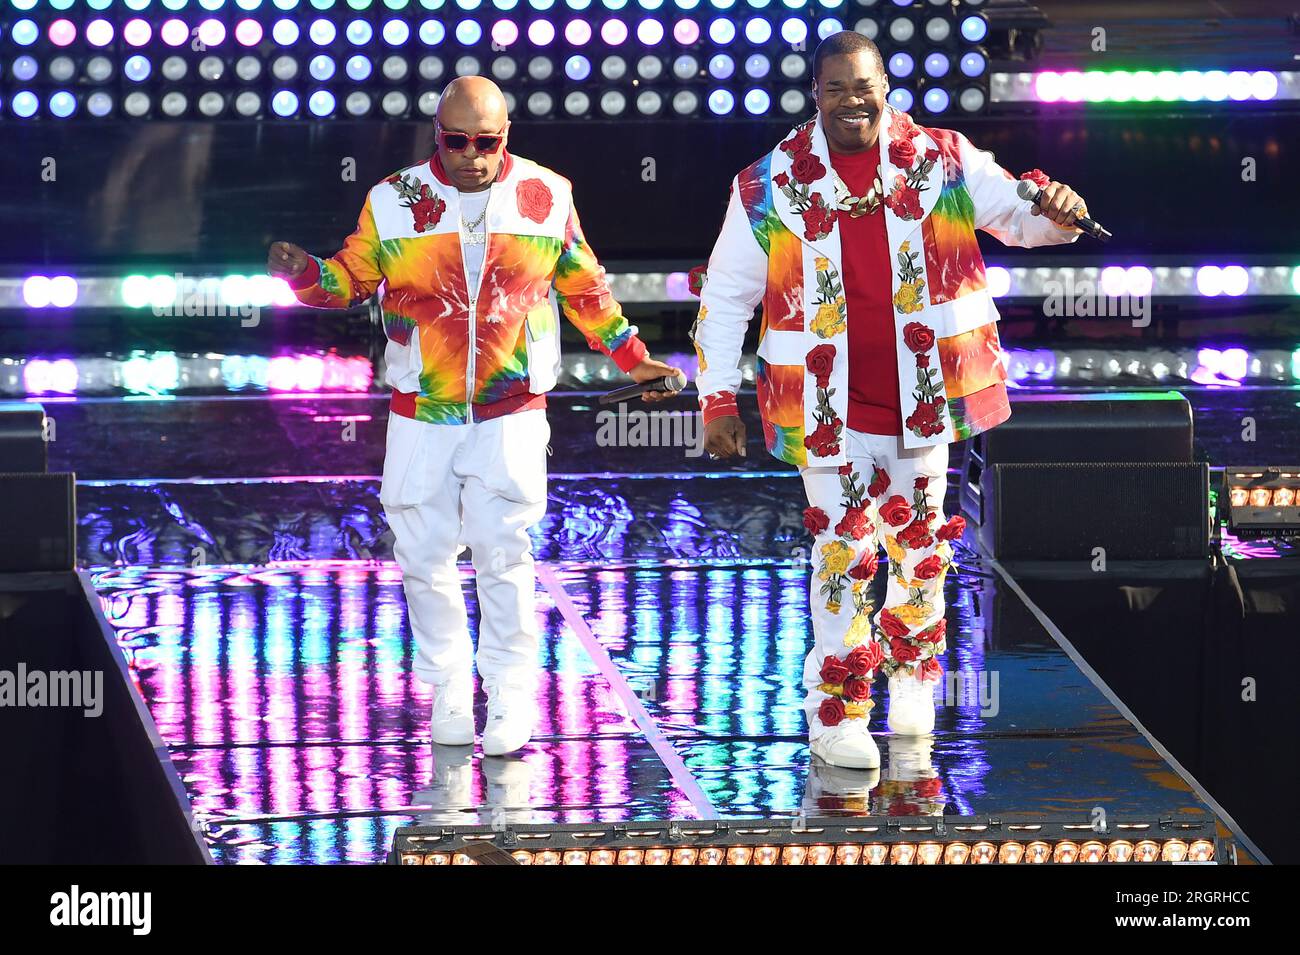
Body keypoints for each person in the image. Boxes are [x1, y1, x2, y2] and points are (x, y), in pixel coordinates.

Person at [690, 31, 1089, 769]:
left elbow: (1024, 222)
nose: (854, 100)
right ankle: (837, 712)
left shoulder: (941, 159)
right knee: (840, 556)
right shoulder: (770, 183)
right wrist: (716, 399)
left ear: (886, 87)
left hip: (923, 402)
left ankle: (912, 678)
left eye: (865, 85)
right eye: (837, 87)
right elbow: (725, 297)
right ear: (816, 95)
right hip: (825, 408)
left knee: (921, 549)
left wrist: (1061, 211)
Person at [268, 76, 682, 756]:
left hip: (511, 407)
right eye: (455, 142)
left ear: (505, 138)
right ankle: (449, 687)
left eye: (484, 143)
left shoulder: (546, 196)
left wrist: (636, 359)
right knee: (424, 556)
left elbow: (586, 288)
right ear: (438, 138)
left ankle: (511, 691)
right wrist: (304, 273)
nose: (470, 155)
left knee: (504, 553)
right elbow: (349, 279)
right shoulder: (395, 201)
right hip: (422, 409)